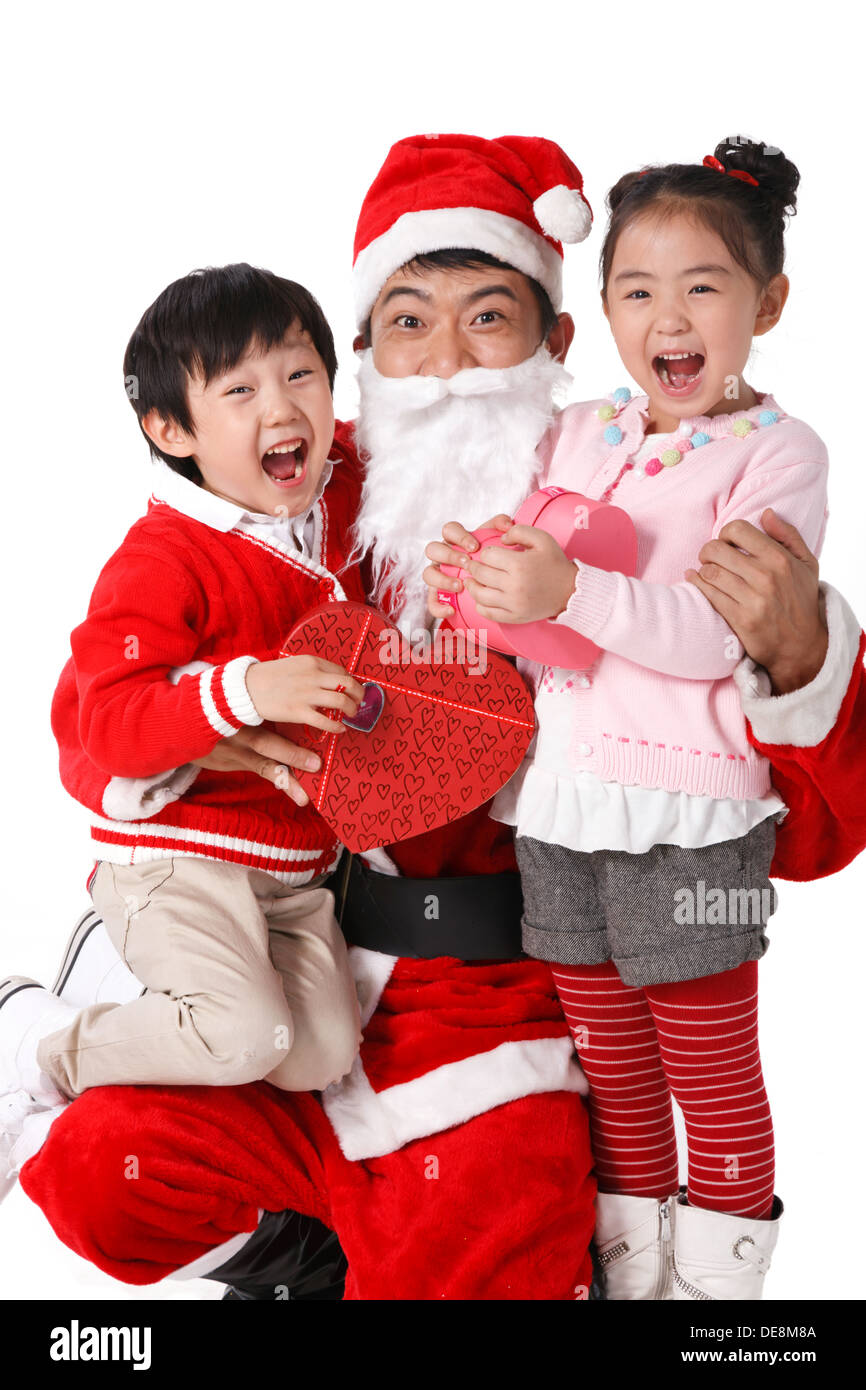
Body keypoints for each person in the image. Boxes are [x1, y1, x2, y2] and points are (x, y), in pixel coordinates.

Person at [2, 134, 861, 1302]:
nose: (448, 362)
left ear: (557, 341)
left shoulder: (649, 540)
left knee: (484, 1252)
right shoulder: (313, 496)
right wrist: (220, 715)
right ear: (360, 354)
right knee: (102, 1171)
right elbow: (92, 724)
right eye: (407, 321)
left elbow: (805, 837)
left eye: (488, 318)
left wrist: (798, 656)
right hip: (291, 965)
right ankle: (300, 1252)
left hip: (500, 1001)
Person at [423, 137, 832, 1299]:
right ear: (599, 309)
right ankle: (627, 1278)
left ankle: (716, 1303)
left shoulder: (777, 454)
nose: (669, 316)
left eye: (702, 285)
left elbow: (725, 630)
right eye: (635, 289)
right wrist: (478, 578)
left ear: (767, 302)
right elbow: (528, 588)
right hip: (557, 807)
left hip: (691, 816)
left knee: (706, 1073)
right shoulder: (581, 429)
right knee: (609, 1071)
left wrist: (571, 592)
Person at [0, 265, 368, 1118]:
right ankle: (39, 1042)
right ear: (170, 429)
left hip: (293, 867)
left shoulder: (335, 486)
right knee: (245, 1037)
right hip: (180, 856)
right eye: (240, 390)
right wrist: (244, 687)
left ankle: (142, 989)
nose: (282, 409)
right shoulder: (164, 556)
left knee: (320, 1055)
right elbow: (110, 722)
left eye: (300, 374)